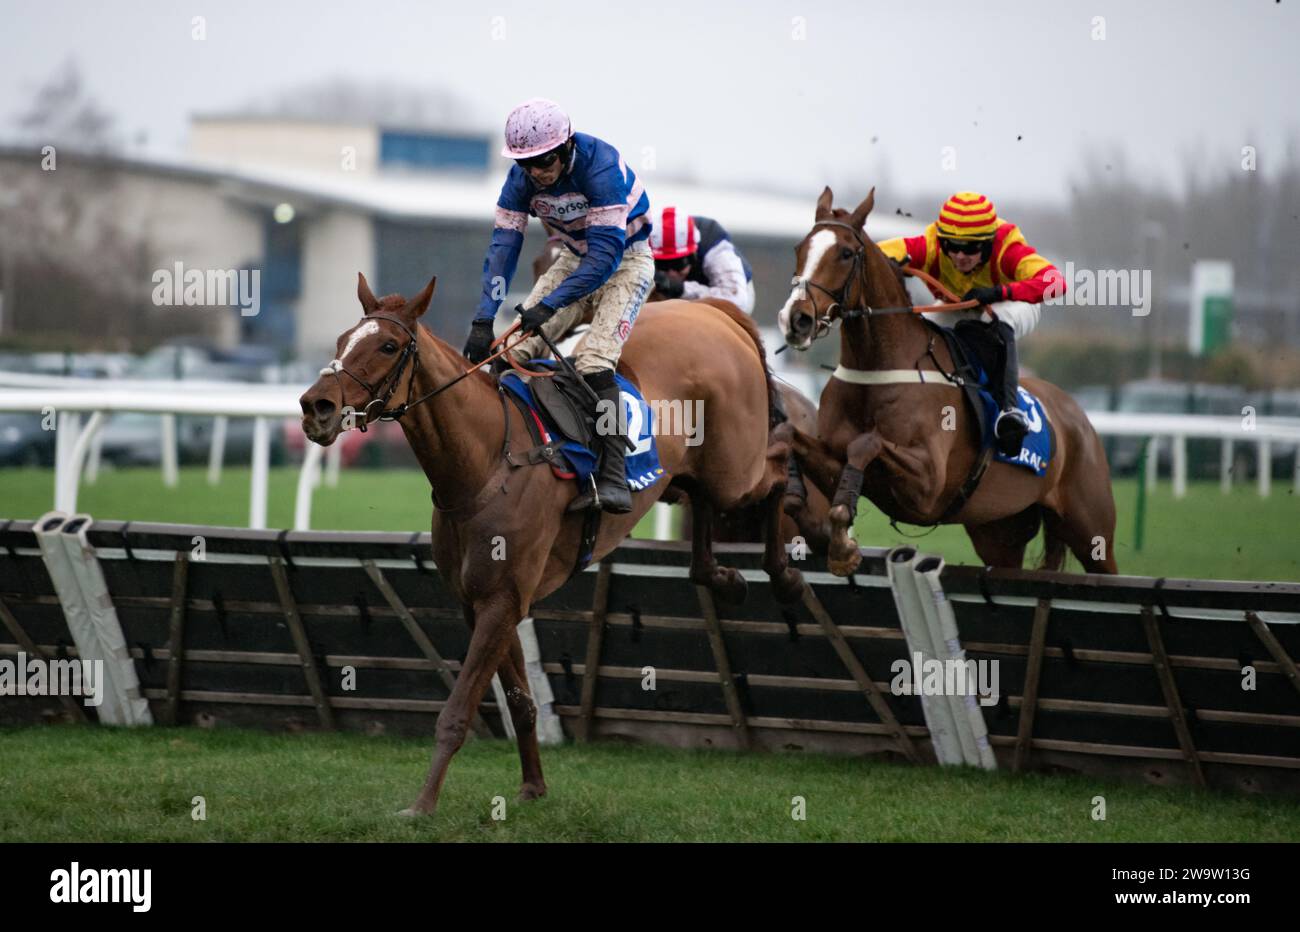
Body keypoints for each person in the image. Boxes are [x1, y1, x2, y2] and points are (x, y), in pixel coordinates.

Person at [462, 98, 654, 514]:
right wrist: (483, 319)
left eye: (544, 160)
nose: (535, 173)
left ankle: (614, 475)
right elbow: (503, 250)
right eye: (525, 163)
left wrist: (549, 305)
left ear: (566, 146)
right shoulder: (519, 182)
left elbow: (604, 258)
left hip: (626, 262)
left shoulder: (600, 166)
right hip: (572, 257)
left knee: (593, 363)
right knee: (510, 354)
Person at [878, 191, 1065, 456]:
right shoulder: (928, 244)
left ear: (989, 243)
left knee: (996, 317)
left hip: (1012, 305)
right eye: (951, 246)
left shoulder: (1007, 249)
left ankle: (1009, 410)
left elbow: (1055, 283)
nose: (959, 256)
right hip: (958, 307)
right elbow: (867, 252)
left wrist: (999, 293)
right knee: (919, 329)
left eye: (970, 248)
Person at [649, 206, 755, 313]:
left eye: (678, 264)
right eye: (662, 264)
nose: (671, 274)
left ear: (693, 254)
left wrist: (681, 289)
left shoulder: (716, 250)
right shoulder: (640, 247)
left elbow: (737, 300)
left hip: (737, 292)